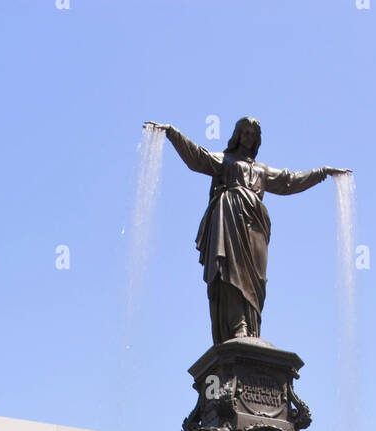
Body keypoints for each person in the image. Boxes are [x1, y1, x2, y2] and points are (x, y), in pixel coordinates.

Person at [148, 118, 349, 343]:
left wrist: (322, 172)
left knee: (256, 278)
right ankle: (238, 327)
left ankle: (252, 333)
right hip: (229, 217)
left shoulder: (262, 170)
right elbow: (198, 157)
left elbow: (289, 181)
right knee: (230, 271)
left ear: (257, 139)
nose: (248, 137)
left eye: (252, 134)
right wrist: (173, 134)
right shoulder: (226, 160)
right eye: (244, 133)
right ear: (237, 135)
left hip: (256, 225)